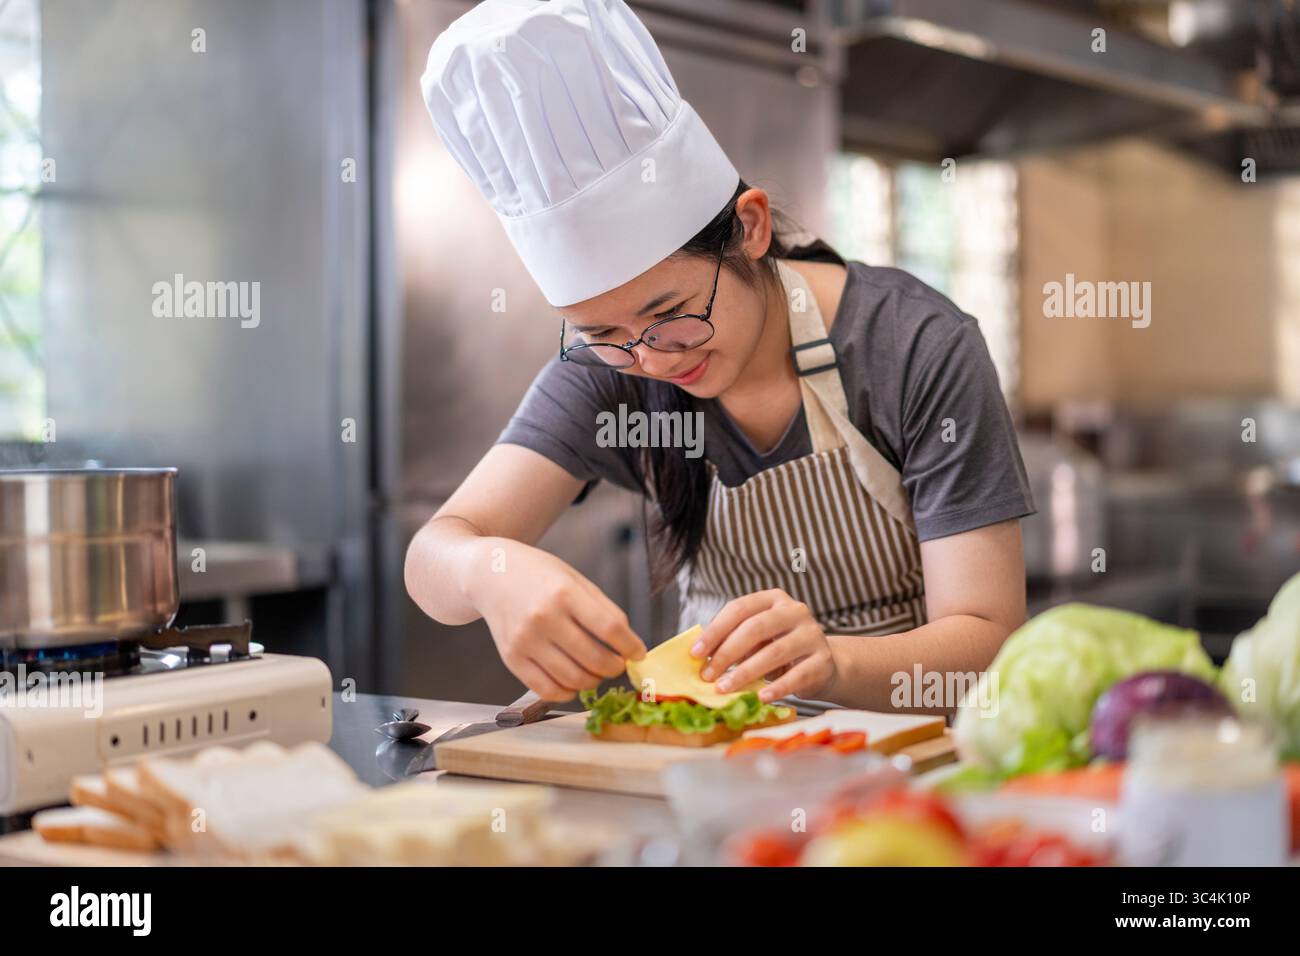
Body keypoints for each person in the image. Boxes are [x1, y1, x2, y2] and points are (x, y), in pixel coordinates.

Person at [406, 0, 1034, 713]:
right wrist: (491, 571)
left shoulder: (914, 346)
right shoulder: (613, 372)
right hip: (714, 766)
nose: (651, 359)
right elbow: (433, 553)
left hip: (912, 768)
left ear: (750, 228)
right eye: (601, 333)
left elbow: (988, 645)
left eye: (671, 315)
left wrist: (831, 665)